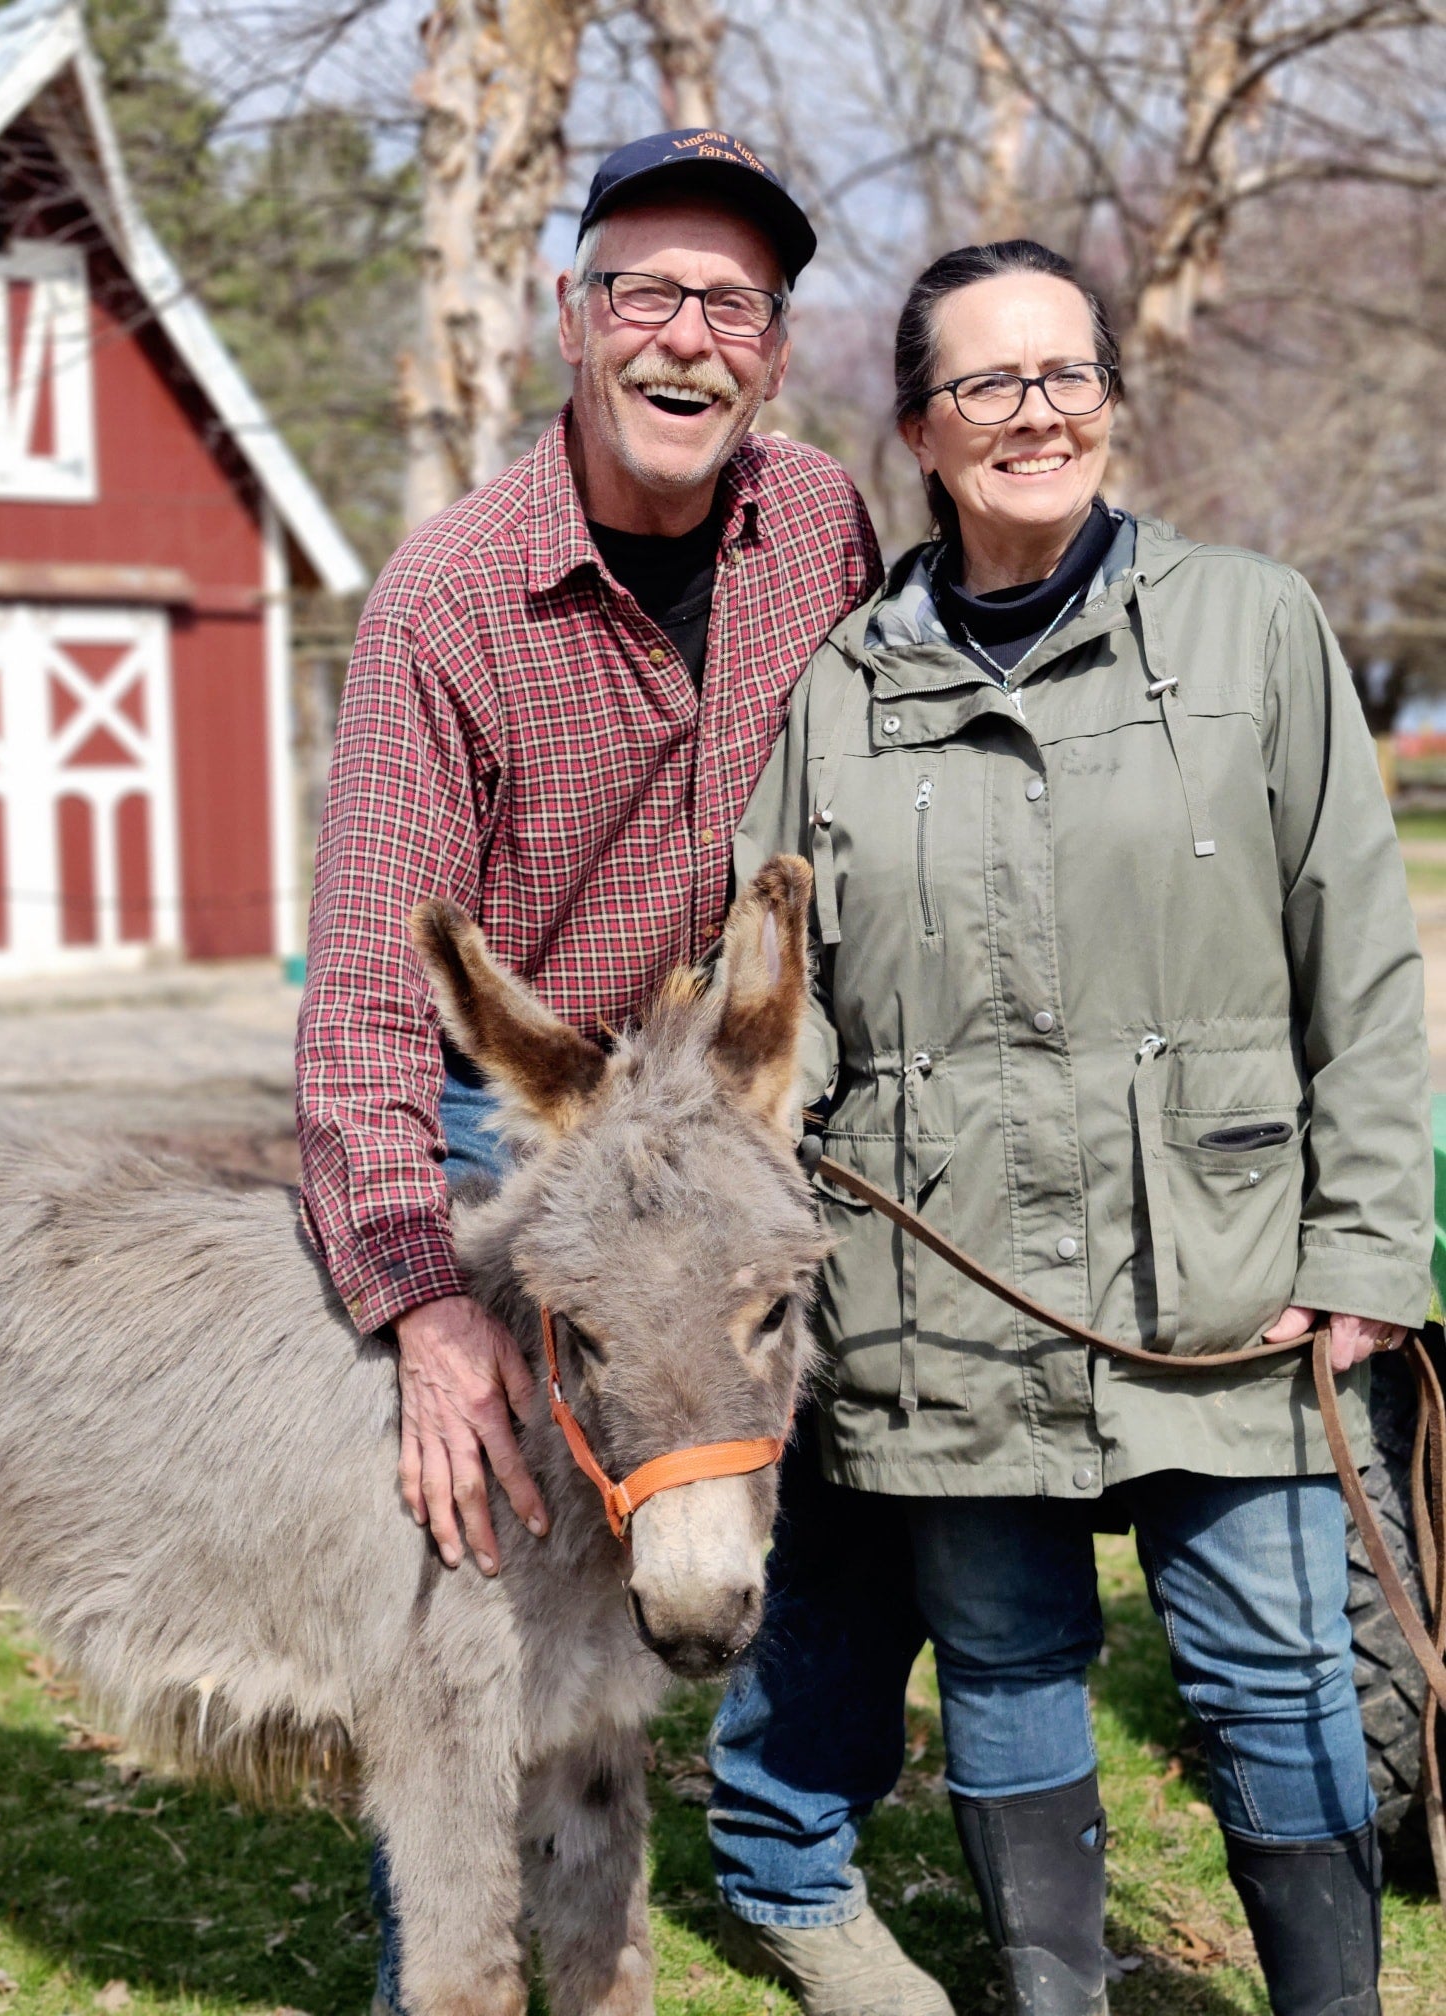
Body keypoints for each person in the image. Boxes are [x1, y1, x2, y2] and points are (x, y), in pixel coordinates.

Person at [709, 238, 1432, 2016]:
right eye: (987, 384)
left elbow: (1365, 962)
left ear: (1108, 398)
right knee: (1014, 1668)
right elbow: (770, 1013)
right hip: (940, 1294)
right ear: (918, 430)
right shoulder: (843, 690)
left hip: (1220, 1277)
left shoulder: (1254, 627)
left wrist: (1359, 1254)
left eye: (1066, 376)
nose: (1034, 413)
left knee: (1277, 1671)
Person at [295, 129, 950, 2016]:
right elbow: (363, 992)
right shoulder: (447, 598)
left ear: (772, 343)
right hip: (533, 1107)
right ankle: (455, 1897)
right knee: (485, 1509)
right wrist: (421, 1306)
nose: (685, 338)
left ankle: (785, 1858)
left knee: (771, 1451)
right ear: (572, 320)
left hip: (727, 1089)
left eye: (728, 305)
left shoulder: (815, 521)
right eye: (643, 293)